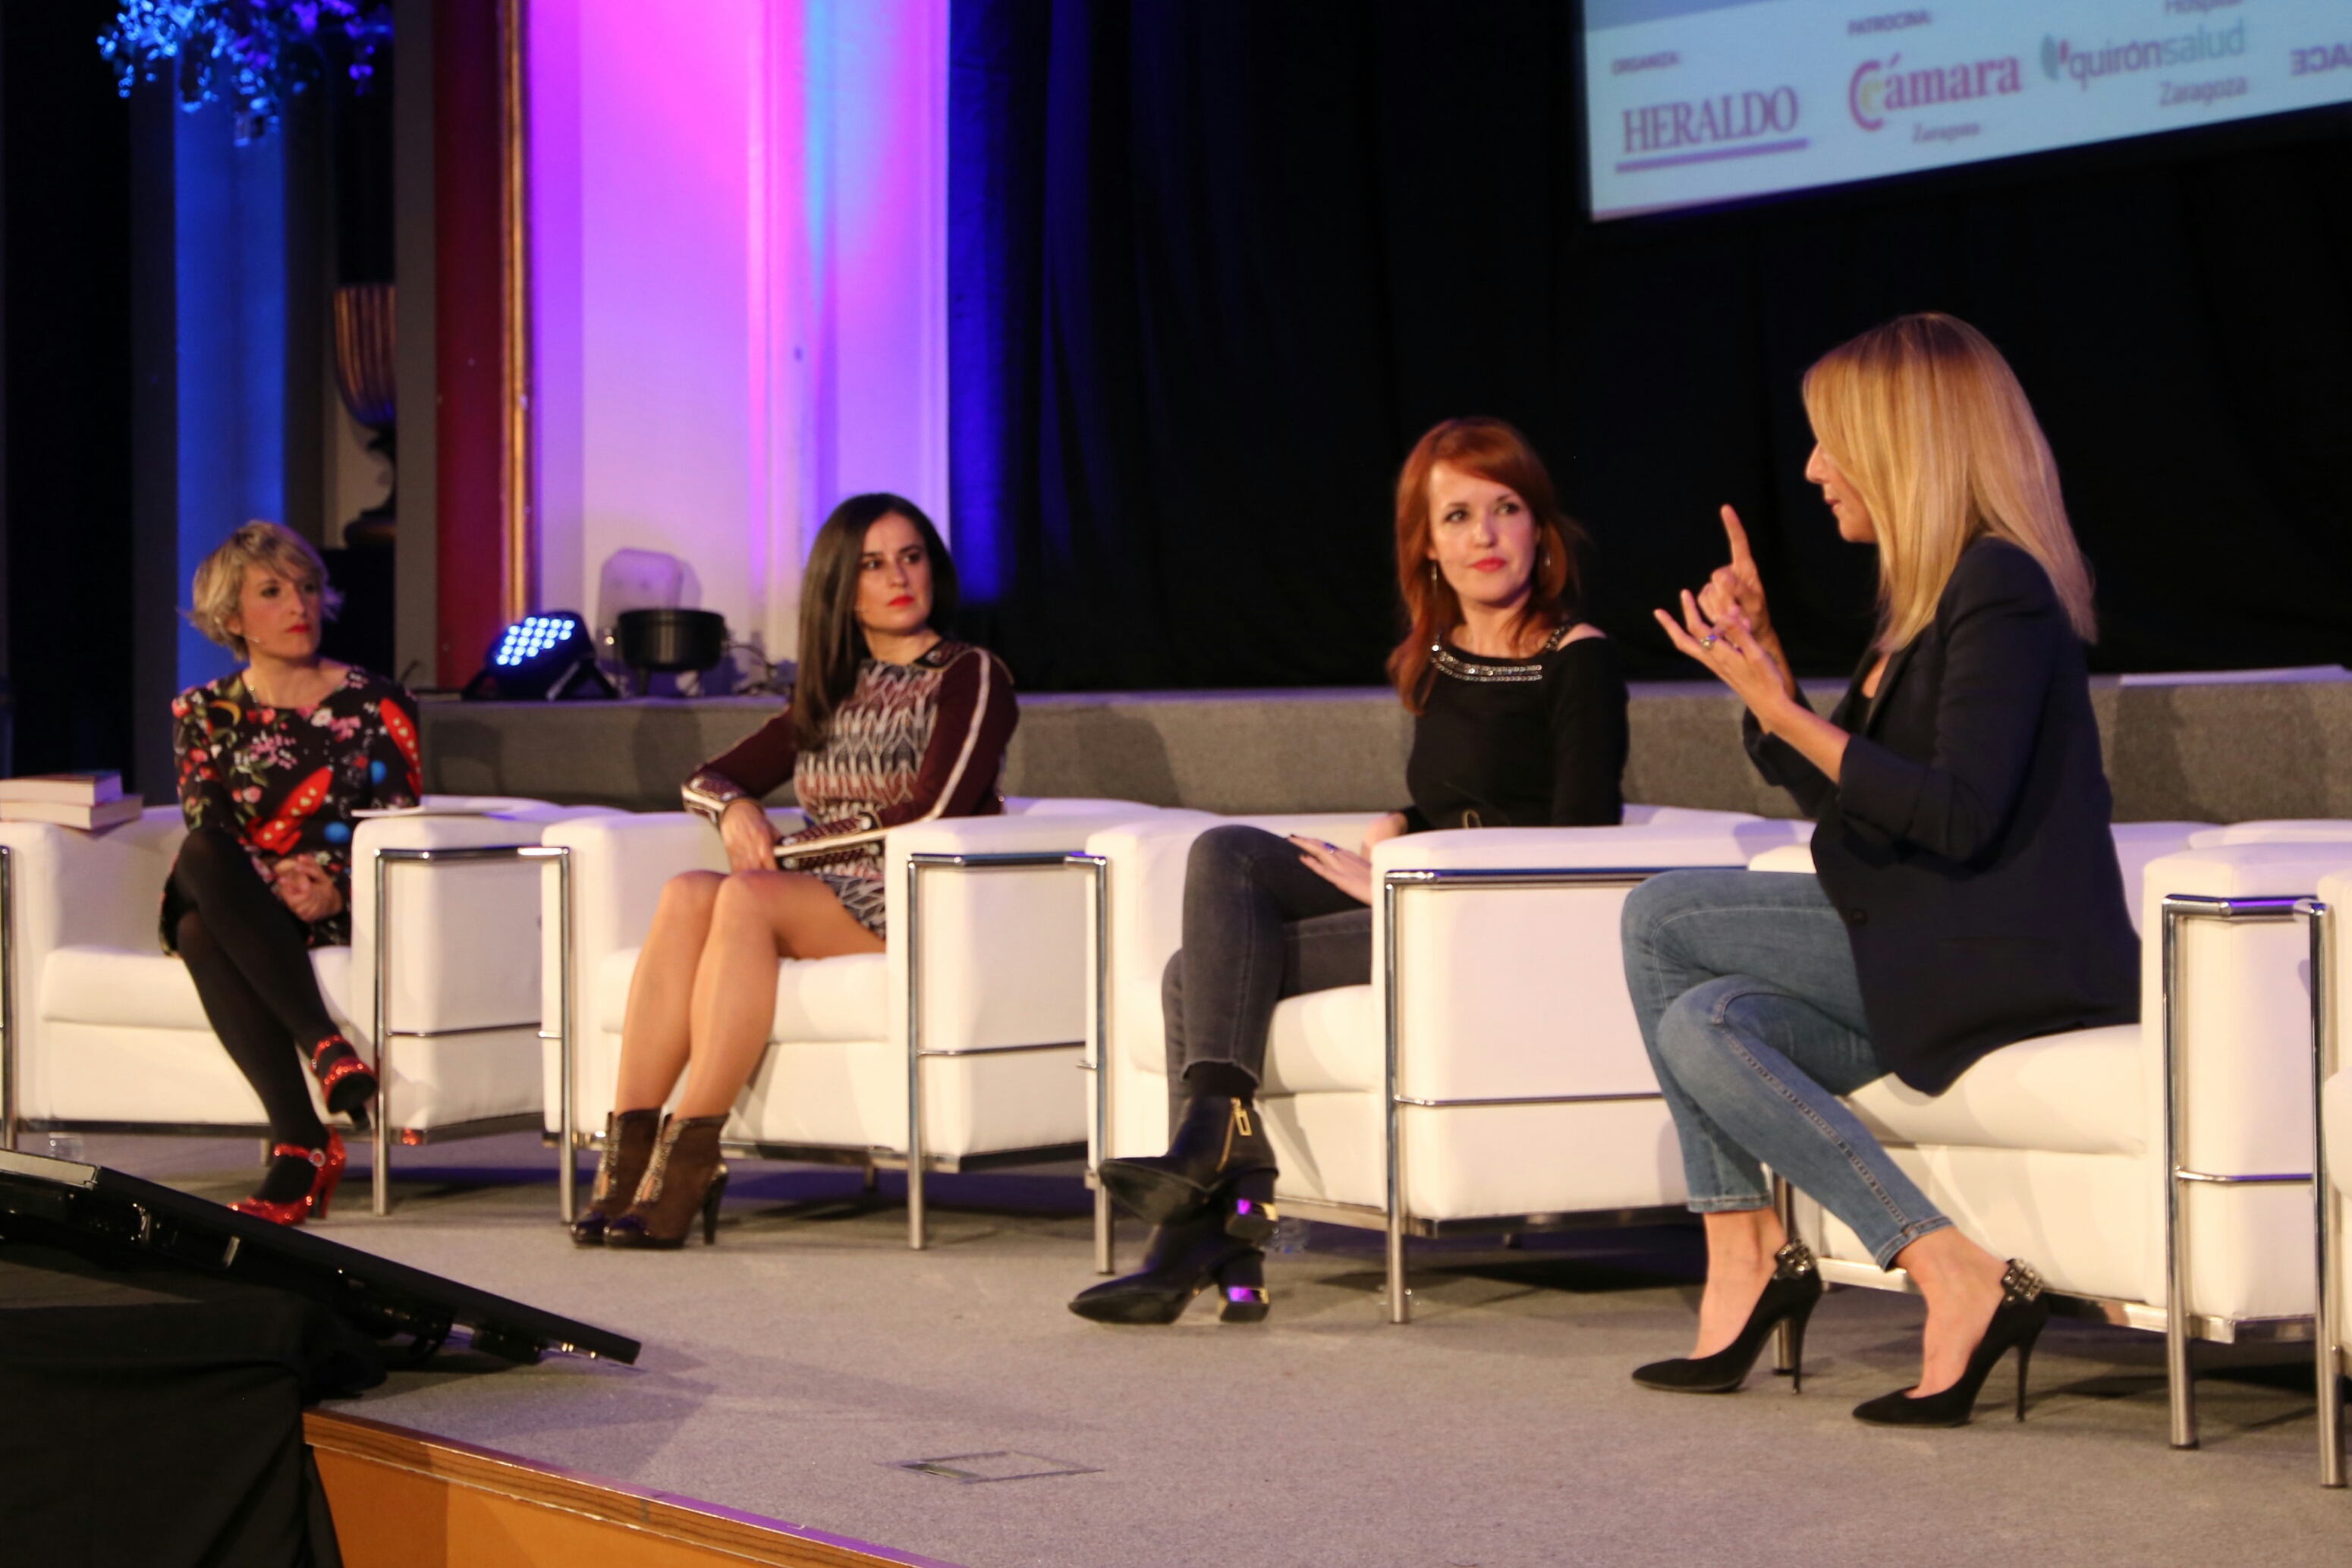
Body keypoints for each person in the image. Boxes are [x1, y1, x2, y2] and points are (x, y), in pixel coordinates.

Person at [1623, 313, 2137, 1427]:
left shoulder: (2000, 584)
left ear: (1906, 443)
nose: (1812, 471)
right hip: (1927, 931)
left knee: (1664, 916)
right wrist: (1769, 688)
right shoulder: (1925, 598)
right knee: (1701, 1015)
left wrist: (1784, 715)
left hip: (2000, 953)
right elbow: (1853, 798)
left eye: (1830, 443)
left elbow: (1953, 816)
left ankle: (1833, 1258)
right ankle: (1805, 1253)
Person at [1073, 416, 1629, 1325]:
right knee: (1229, 854)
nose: (1484, 536)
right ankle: (1223, 1167)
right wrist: (1399, 824)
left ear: (1542, 529)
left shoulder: (1579, 659)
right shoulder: (1440, 658)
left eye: (1505, 509)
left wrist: (1397, 883)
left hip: (1489, 921)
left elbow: (1572, 842)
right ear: (1428, 547)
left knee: (1191, 978)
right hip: (1417, 888)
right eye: (1456, 517)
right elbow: (1468, 793)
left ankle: (1210, 1218)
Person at [574, 494, 1017, 1250]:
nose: (897, 578)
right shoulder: (833, 687)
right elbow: (705, 778)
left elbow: (927, 809)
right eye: (872, 565)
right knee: (688, 892)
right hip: (817, 889)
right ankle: (626, 1155)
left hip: (911, 894)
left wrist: (785, 853)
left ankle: (694, 1152)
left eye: (910, 558)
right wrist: (736, 811)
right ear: (841, 589)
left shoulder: (970, 674)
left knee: (746, 895)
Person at [169, 522, 421, 1225]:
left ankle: (303, 1144)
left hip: (338, 901)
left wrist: (334, 883)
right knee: (200, 862)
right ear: (230, 618)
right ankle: (325, 1045)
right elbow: (207, 821)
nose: (299, 605)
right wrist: (278, 879)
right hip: (245, 893)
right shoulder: (201, 712)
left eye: (308, 588)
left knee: (196, 930)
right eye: (273, 592)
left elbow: (398, 821)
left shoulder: (377, 704)